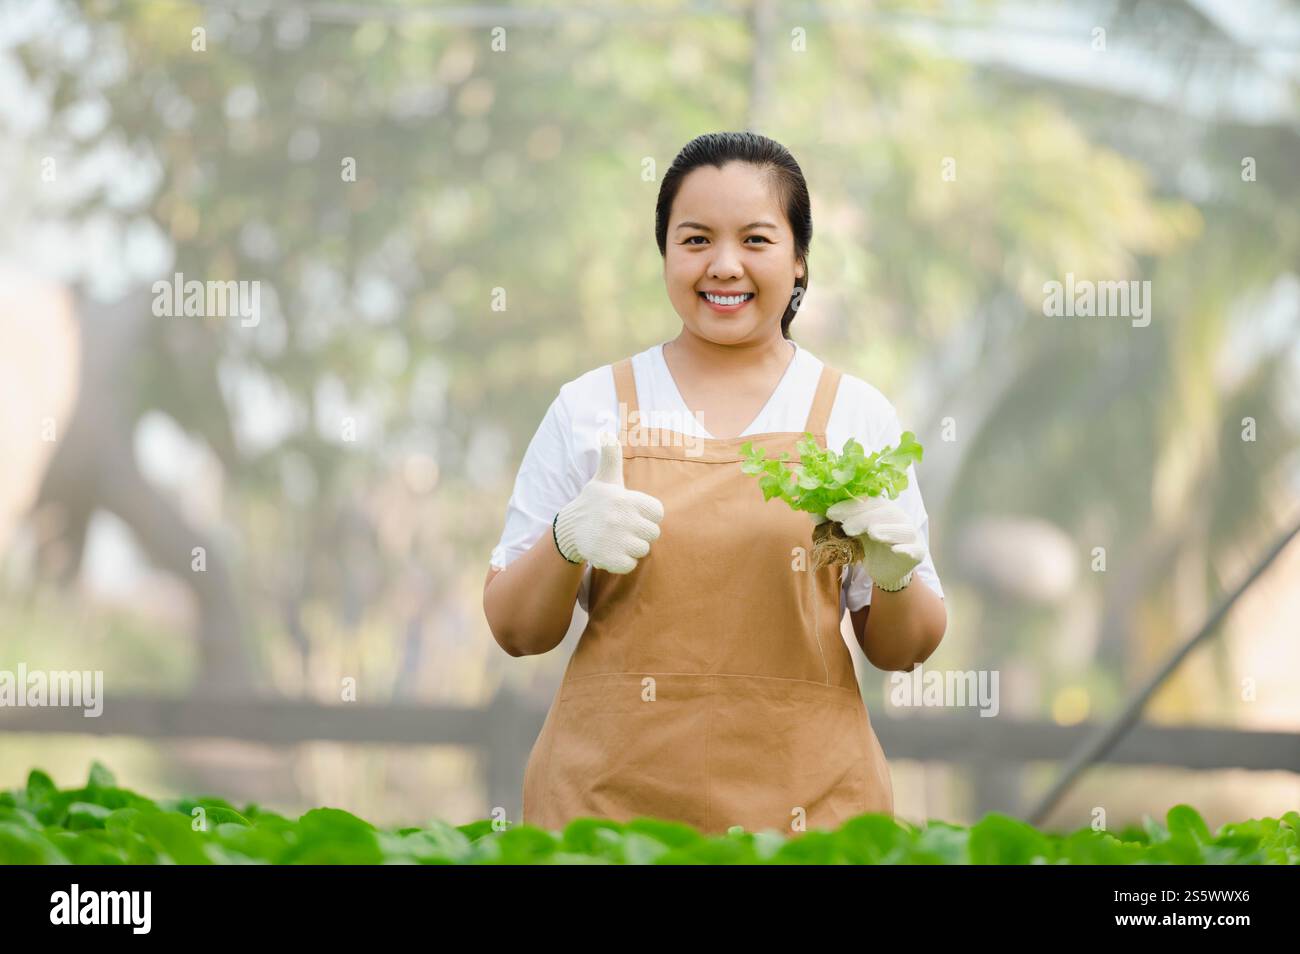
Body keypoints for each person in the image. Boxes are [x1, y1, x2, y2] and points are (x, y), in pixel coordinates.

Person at [483, 131, 947, 837]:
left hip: (809, 819)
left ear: (798, 263)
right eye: (695, 239)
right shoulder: (590, 407)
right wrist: (566, 539)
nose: (723, 265)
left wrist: (892, 575)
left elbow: (904, 648)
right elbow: (515, 630)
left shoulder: (856, 416)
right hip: (607, 819)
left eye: (756, 240)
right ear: (665, 254)